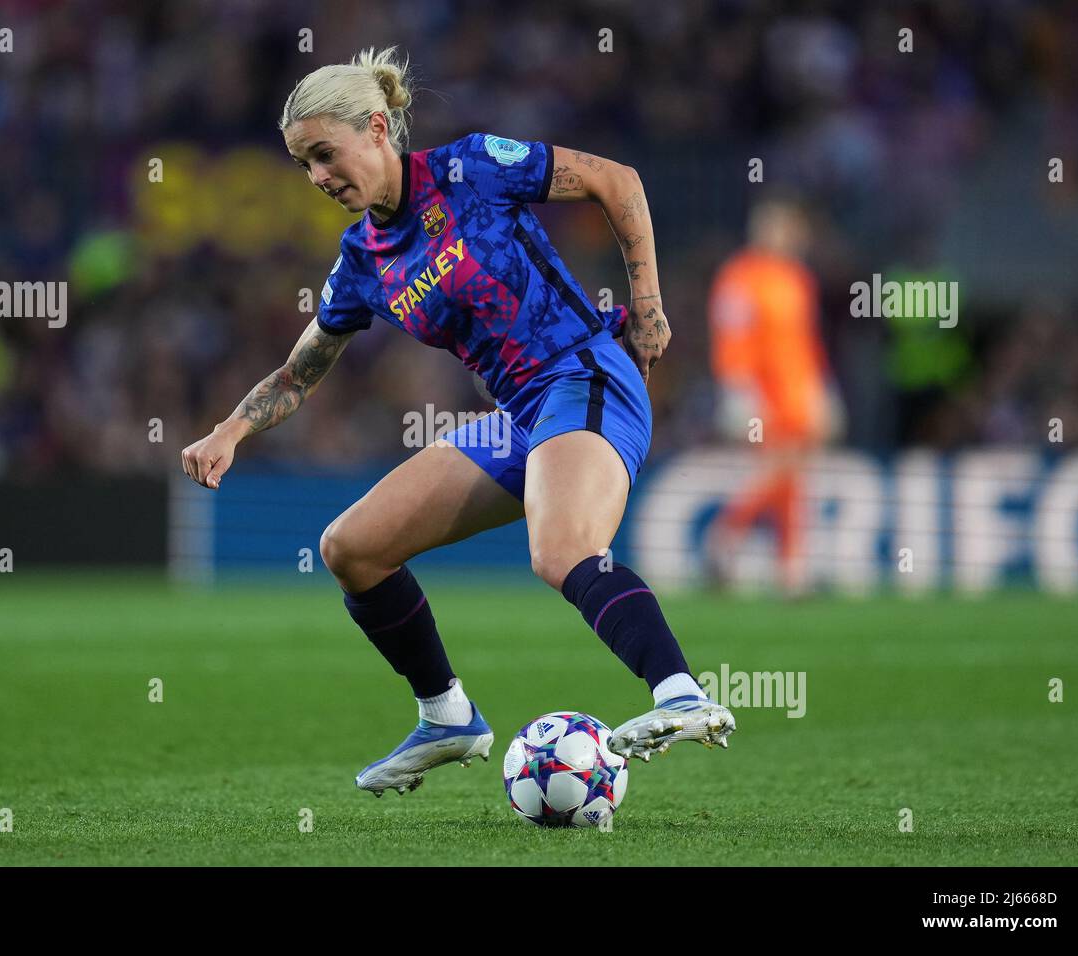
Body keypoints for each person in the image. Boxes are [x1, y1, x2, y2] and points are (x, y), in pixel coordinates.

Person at [181, 47, 734, 796]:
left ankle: (680, 696)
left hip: (584, 372)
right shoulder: (362, 260)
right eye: (303, 164)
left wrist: (648, 305)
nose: (316, 177)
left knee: (563, 549)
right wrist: (229, 431)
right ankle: (448, 716)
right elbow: (299, 370)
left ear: (377, 127)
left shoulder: (473, 168)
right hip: (519, 415)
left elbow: (617, 180)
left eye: (323, 154)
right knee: (352, 548)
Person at [705, 195, 841, 595]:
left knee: (793, 479)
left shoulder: (798, 277)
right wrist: (737, 389)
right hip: (763, 393)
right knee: (780, 471)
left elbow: (808, 341)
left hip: (799, 390)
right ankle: (730, 537)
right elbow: (732, 337)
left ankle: (787, 568)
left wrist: (823, 388)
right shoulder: (740, 276)